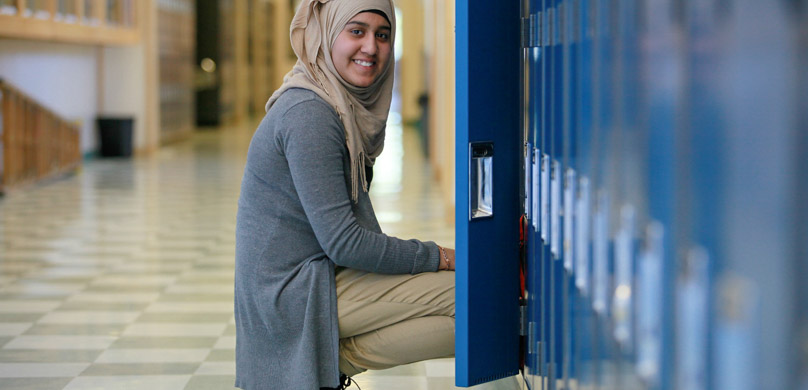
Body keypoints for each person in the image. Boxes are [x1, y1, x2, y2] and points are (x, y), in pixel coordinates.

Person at [234, 0, 456, 389]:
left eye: (382, 35)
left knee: (468, 303)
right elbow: (345, 242)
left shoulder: (337, 105)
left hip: (312, 277)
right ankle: (314, 363)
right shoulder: (310, 113)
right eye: (357, 31)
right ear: (325, 36)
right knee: (465, 294)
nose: (371, 47)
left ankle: (317, 365)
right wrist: (437, 256)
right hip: (291, 293)